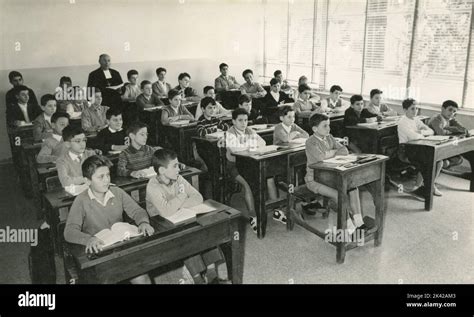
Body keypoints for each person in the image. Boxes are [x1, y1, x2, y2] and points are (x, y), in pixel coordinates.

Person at [64, 155, 155, 284]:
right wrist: (88, 239)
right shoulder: (81, 200)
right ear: (88, 181)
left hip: (121, 247)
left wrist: (144, 222)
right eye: (101, 177)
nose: (106, 180)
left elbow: (137, 211)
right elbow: (69, 231)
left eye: (108, 175)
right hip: (100, 252)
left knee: (142, 278)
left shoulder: (117, 192)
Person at [146, 149, 228, 283]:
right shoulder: (152, 186)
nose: (178, 169)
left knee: (205, 230)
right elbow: (165, 212)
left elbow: (198, 197)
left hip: (179, 217)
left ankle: (212, 275)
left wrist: (177, 205)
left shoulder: (178, 178)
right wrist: (182, 196)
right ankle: (197, 279)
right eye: (174, 166)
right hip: (161, 227)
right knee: (189, 238)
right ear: (161, 170)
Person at [225, 108, 287, 234]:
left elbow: (262, 143)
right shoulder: (230, 133)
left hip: (252, 163)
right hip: (234, 166)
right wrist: (251, 145)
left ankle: (276, 210)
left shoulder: (250, 130)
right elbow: (235, 149)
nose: (244, 123)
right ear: (233, 121)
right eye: (240, 120)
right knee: (248, 185)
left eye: (246, 120)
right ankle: (254, 216)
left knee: (270, 179)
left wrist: (247, 145)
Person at [305, 113, 368, 235]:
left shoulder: (329, 137)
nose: (329, 128)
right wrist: (334, 152)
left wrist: (330, 152)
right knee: (338, 194)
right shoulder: (310, 142)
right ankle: (349, 226)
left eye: (329, 125)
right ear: (314, 129)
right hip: (314, 179)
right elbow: (320, 157)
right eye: (325, 126)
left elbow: (344, 150)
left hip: (331, 177)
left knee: (353, 188)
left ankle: (359, 222)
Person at [397, 98, 443, 197]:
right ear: (405, 110)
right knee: (428, 160)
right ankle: (429, 187)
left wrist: (421, 132)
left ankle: (428, 185)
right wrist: (421, 134)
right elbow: (414, 137)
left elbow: (431, 131)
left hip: (418, 146)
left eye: (416, 108)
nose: (415, 111)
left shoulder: (416, 119)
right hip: (406, 150)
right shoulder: (402, 122)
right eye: (412, 109)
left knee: (439, 161)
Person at [428, 100, 466, 170]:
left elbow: (463, 130)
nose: (452, 113)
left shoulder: (449, 119)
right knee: (447, 162)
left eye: (454, 111)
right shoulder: (436, 119)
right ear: (442, 109)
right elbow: (441, 133)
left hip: (443, 145)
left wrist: (452, 124)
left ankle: (440, 168)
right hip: (433, 148)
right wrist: (453, 129)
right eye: (450, 110)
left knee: (459, 159)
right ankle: (436, 168)